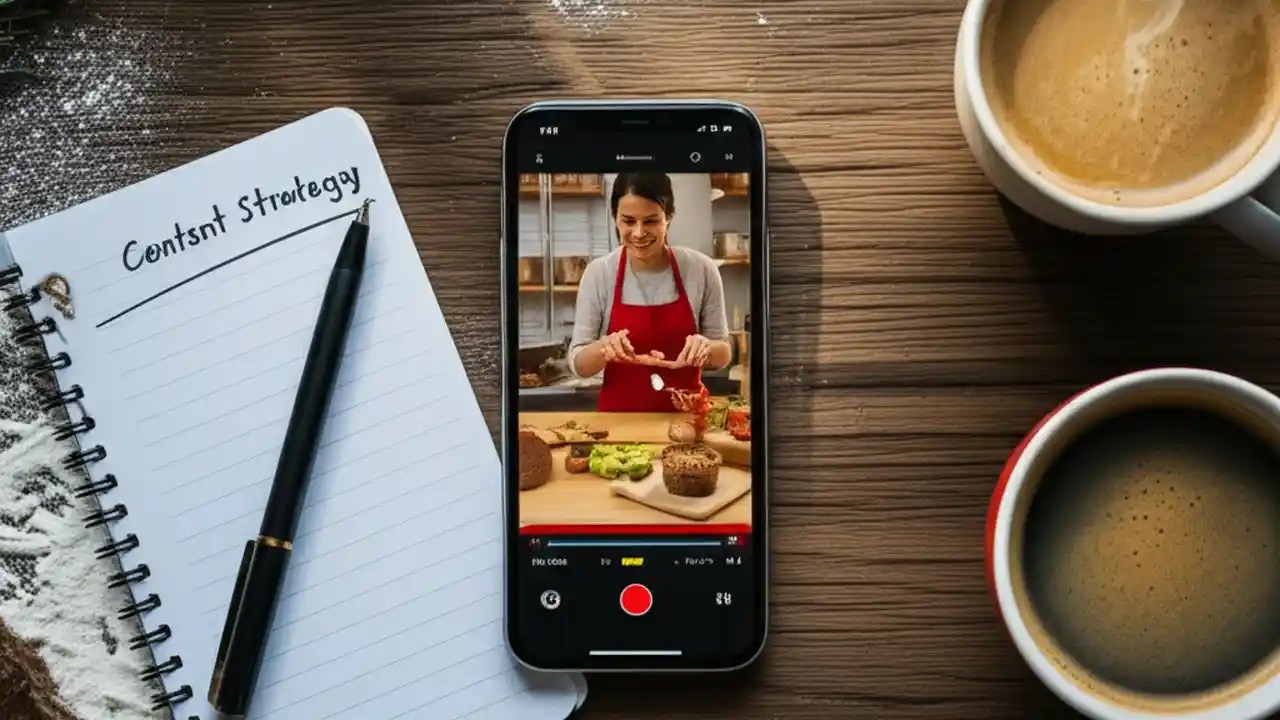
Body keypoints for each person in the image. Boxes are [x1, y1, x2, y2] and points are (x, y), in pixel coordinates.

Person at [567, 172, 733, 412]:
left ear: (669, 217)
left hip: (687, 422)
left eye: (651, 221)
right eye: (628, 220)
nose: (639, 232)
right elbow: (579, 365)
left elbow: (723, 354)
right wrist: (605, 347)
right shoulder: (599, 273)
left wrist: (707, 347)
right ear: (615, 218)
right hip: (618, 426)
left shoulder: (701, 270)